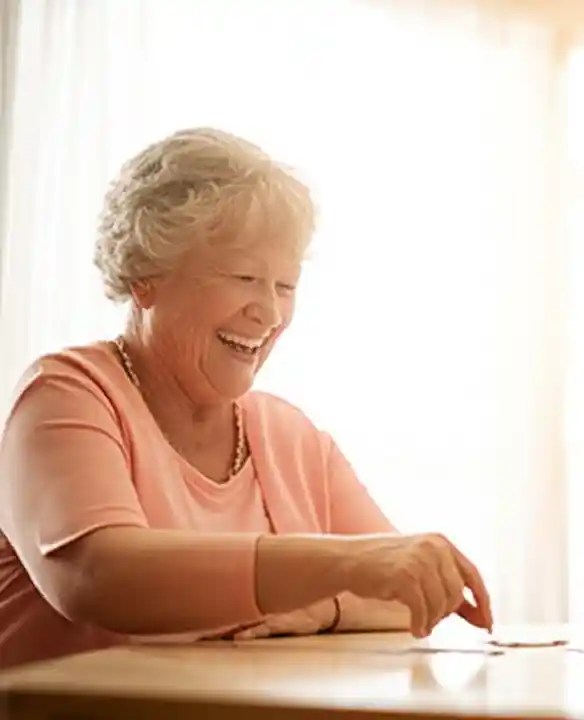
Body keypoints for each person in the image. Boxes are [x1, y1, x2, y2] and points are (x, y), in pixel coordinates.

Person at [0, 128, 492, 669]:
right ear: (146, 278)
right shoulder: (67, 394)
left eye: (285, 286)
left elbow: (409, 590)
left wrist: (322, 605)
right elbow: (97, 577)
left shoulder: (291, 436)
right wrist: (337, 568)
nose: (271, 313)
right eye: (244, 277)